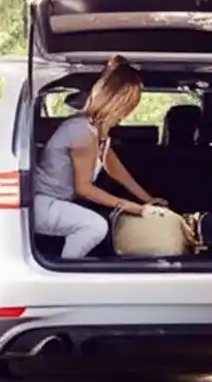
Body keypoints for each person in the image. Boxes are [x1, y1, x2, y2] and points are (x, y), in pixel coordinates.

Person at [33, 55, 170, 258]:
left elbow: (116, 170)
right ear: (116, 102)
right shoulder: (82, 131)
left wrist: (148, 200)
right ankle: (69, 270)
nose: (128, 113)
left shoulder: (98, 132)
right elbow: (84, 188)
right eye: (129, 104)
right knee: (95, 226)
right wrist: (137, 209)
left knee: (96, 221)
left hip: (57, 203)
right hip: (41, 204)